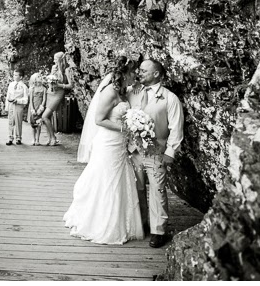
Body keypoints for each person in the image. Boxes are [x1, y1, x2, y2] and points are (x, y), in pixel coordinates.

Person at [63, 56, 145, 245]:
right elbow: (99, 120)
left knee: (119, 178)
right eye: (133, 72)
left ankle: (122, 222)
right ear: (124, 73)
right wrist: (127, 128)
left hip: (120, 145)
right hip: (108, 143)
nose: (136, 75)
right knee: (106, 179)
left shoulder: (125, 91)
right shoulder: (110, 92)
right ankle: (102, 223)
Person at [128, 59, 184, 248]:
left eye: (144, 70)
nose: (139, 72)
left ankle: (159, 230)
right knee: (138, 188)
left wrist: (170, 153)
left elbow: (176, 129)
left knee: (158, 191)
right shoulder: (133, 93)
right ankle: (143, 224)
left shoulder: (169, 98)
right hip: (134, 151)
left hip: (156, 152)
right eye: (140, 70)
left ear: (157, 74)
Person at [41, 52, 74, 146]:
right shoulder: (53, 68)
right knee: (49, 117)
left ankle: (54, 138)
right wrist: (48, 80)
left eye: (55, 58)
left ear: (60, 60)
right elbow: (50, 79)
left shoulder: (66, 70)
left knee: (44, 116)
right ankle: (50, 138)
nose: (53, 60)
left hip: (58, 93)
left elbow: (71, 85)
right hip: (50, 92)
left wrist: (59, 85)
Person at [5, 70, 29, 145]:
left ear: (20, 77)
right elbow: (8, 96)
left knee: (18, 121)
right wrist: (7, 106)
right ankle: (10, 138)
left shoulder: (24, 87)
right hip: (11, 104)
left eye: (16, 75)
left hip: (18, 105)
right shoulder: (11, 85)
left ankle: (18, 138)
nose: (14, 76)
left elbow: (25, 99)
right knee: (10, 121)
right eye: (14, 75)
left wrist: (18, 100)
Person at [27, 72, 47, 146]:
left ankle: (38, 140)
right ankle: (33, 139)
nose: (40, 77)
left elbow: (44, 99)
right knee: (33, 125)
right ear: (35, 79)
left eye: (40, 76)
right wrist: (32, 109)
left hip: (40, 108)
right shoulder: (32, 88)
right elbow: (31, 100)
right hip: (33, 108)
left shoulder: (44, 89)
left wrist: (41, 109)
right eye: (38, 76)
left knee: (39, 124)